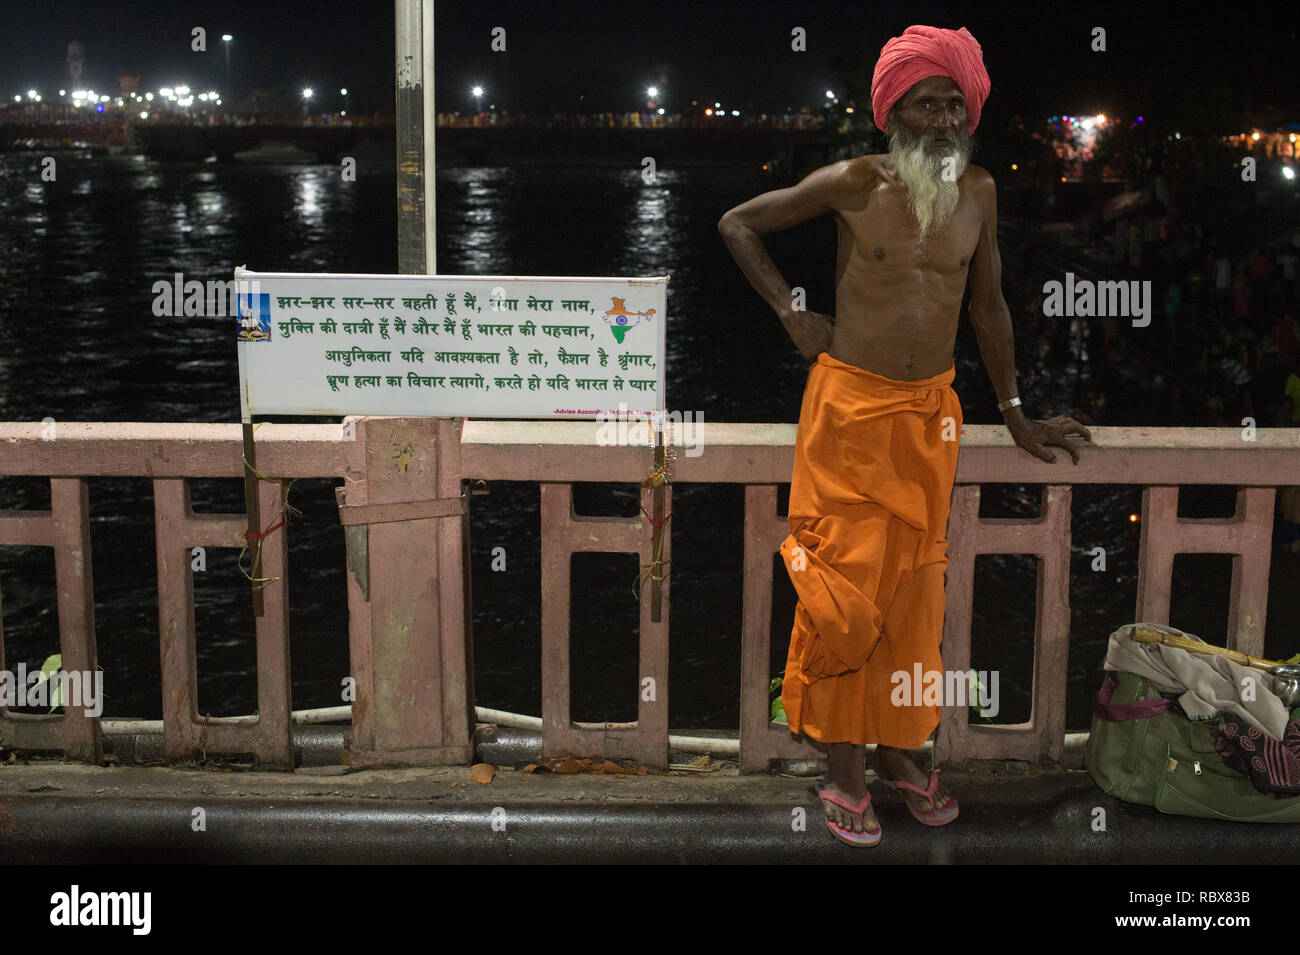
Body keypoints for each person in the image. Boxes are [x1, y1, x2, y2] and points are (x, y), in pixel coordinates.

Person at [718, 24, 1091, 847]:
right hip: (850, 414)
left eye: (956, 101)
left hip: (931, 418)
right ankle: (842, 771)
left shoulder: (981, 193)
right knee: (844, 601)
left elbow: (987, 308)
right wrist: (792, 314)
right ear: (894, 113)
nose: (946, 115)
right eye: (928, 101)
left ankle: (897, 755)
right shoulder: (857, 181)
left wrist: (1017, 410)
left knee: (914, 603)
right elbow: (738, 223)